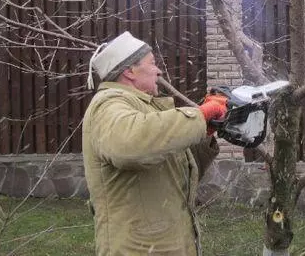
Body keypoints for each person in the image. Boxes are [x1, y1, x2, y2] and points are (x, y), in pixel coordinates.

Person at [82, 31, 227, 255]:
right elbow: (130, 147)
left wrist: (203, 132)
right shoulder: (108, 104)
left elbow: (173, 169)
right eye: (152, 63)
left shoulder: (144, 108)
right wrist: (198, 115)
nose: (158, 70)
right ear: (130, 71)